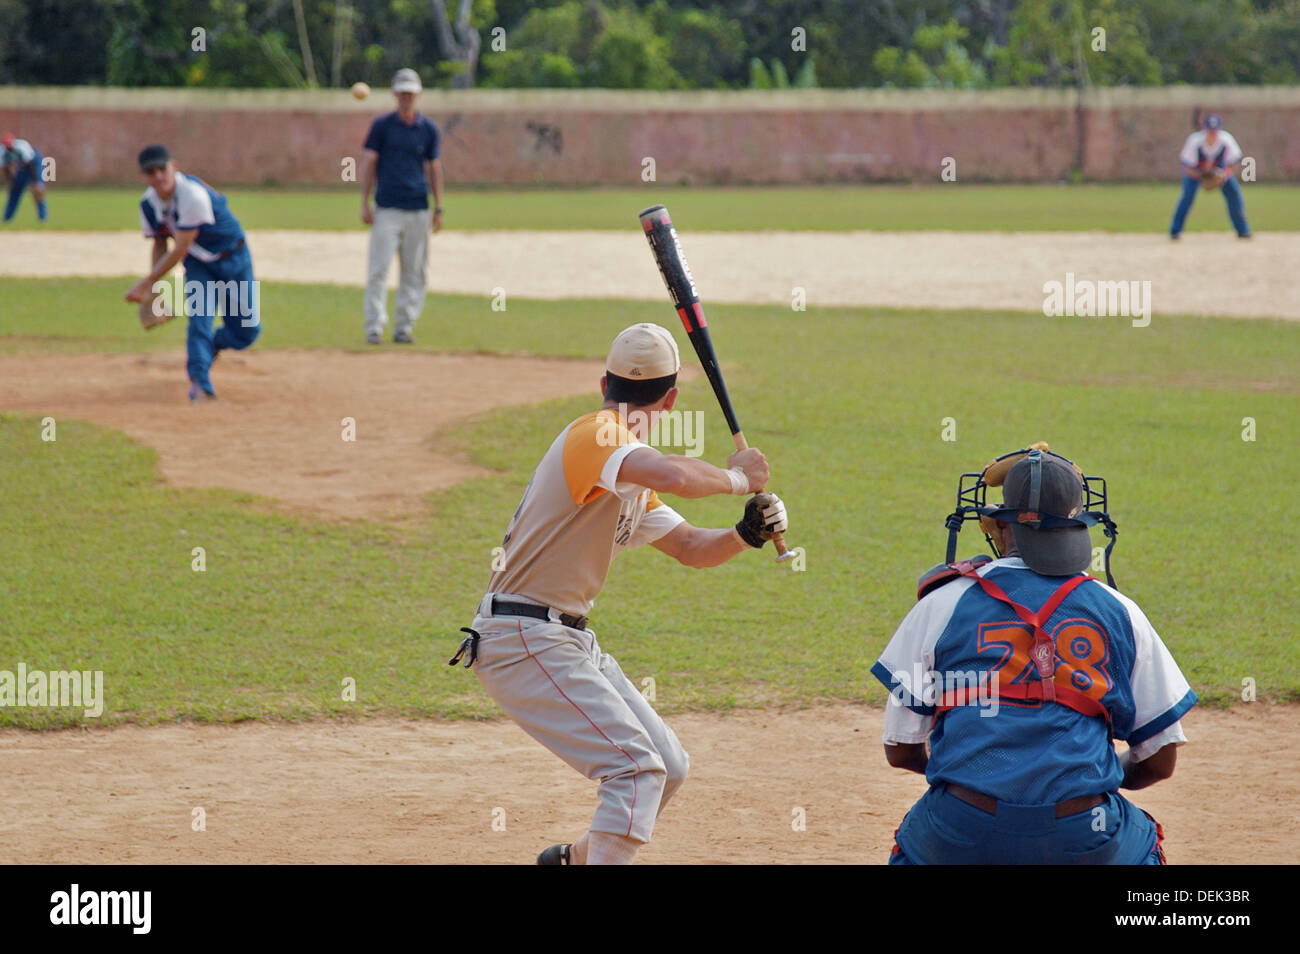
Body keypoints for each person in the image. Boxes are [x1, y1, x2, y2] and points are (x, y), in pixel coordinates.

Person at [451, 323, 789, 866]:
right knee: (637, 770)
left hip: (558, 639)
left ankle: (574, 860)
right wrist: (736, 479)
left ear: (603, 380)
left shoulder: (622, 472)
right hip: (522, 637)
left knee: (666, 765)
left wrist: (744, 534)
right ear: (672, 398)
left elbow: (691, 547)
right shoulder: (598, 437)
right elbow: (675, 473)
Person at [873, 444, 1197, 865]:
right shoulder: (1119, 611)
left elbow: (900, 749)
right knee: (1143, 842)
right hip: (1083, 831)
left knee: (918, 841)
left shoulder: (941, 603)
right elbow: (1160, 760)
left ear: (999, 526)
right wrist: (1098, 776)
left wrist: (976, 772)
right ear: (1078, 523)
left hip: (963, 828)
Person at [125, 144, 260, 402]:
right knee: (200, 320)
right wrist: (155, 290)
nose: (157, 177)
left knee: (247, 331)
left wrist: (147, 283)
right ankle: (200, 383)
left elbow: (182, 245)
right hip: (199, 265)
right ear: (143, 176)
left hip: (234, 257)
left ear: (173, 167)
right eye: (150, 172)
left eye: (161, 169)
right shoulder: (148, 204)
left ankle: (214, 344)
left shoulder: (192, 195)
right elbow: (160, 242)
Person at [360, 68, 443, 345]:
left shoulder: (428, 129)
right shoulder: (382, 126)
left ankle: (404, 326)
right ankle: (374, 326)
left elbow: (434, 167)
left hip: (419, 207)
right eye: (402, 93)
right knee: (378, 269)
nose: (406, 97)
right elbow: (370, 163)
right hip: (387, 207)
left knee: (414, 271)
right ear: (395, 94)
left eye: (411, 93)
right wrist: (365, 203)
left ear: (417, 95)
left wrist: (438, 207)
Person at [1170, 113, 1251, 239]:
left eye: (1215, 131)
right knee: (1187, 197)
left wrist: (1222, 176)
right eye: (1209, 131)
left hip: (1220, 172)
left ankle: (1243, 230)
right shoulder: (1195, 141)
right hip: (1196, 172)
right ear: (1204, 129)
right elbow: (1187, 168)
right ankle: (1175, 230)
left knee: (1234, 194)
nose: (1212, 134)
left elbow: (1232, 164)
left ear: (1219, 130)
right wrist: (1203, 176)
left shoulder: (1226, 140)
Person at [2, 132, 49, 223]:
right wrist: (11, 182)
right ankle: (7, 219)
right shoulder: (3, 152)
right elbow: (6, 168)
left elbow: (31, 164)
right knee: (14, 190)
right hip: (22, 167)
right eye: (8, 148)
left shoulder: (22, 146)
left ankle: (42, 219)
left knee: (38, 191)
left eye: (10, 147)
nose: (9, 149)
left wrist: (37, 182)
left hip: (34, 164)